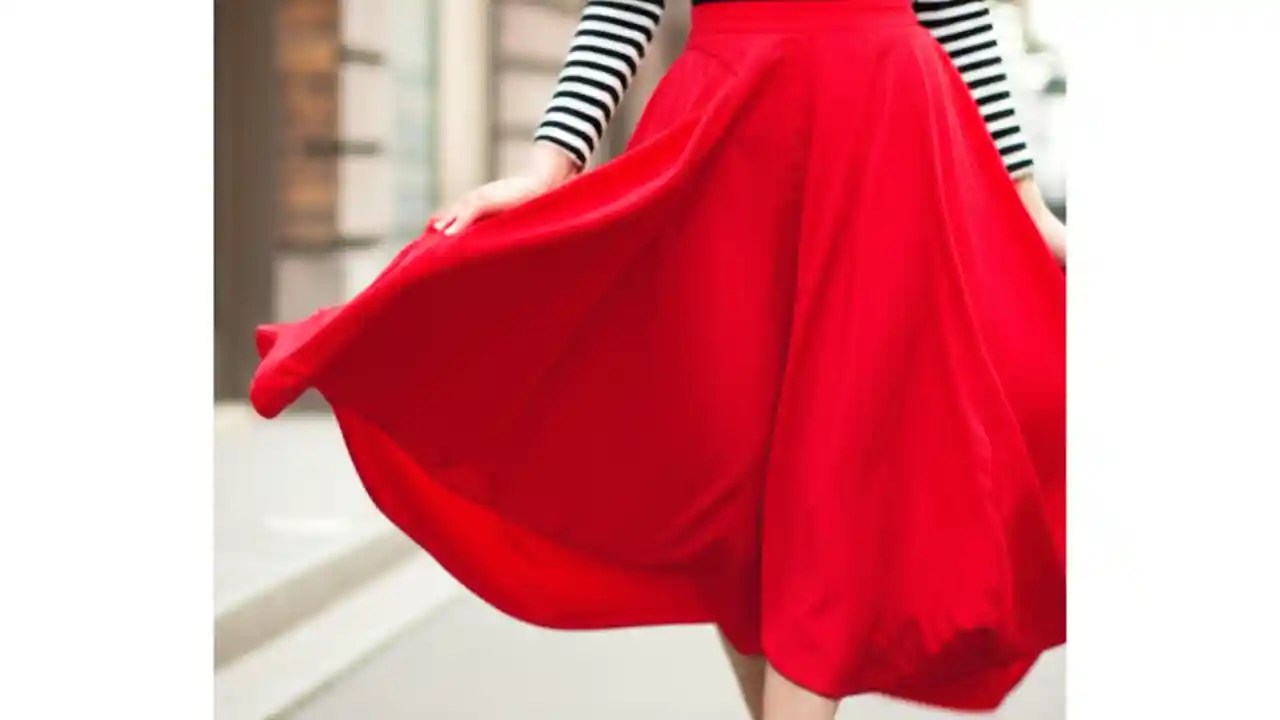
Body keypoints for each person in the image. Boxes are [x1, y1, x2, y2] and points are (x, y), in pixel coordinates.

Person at [250, 1, 1067, 718]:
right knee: (731, 482)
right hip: (735, 134)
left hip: (885, 132)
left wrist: (1022, 198)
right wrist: (551, 165)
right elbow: (624, 5)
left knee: (836, 457)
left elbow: (956, 9)